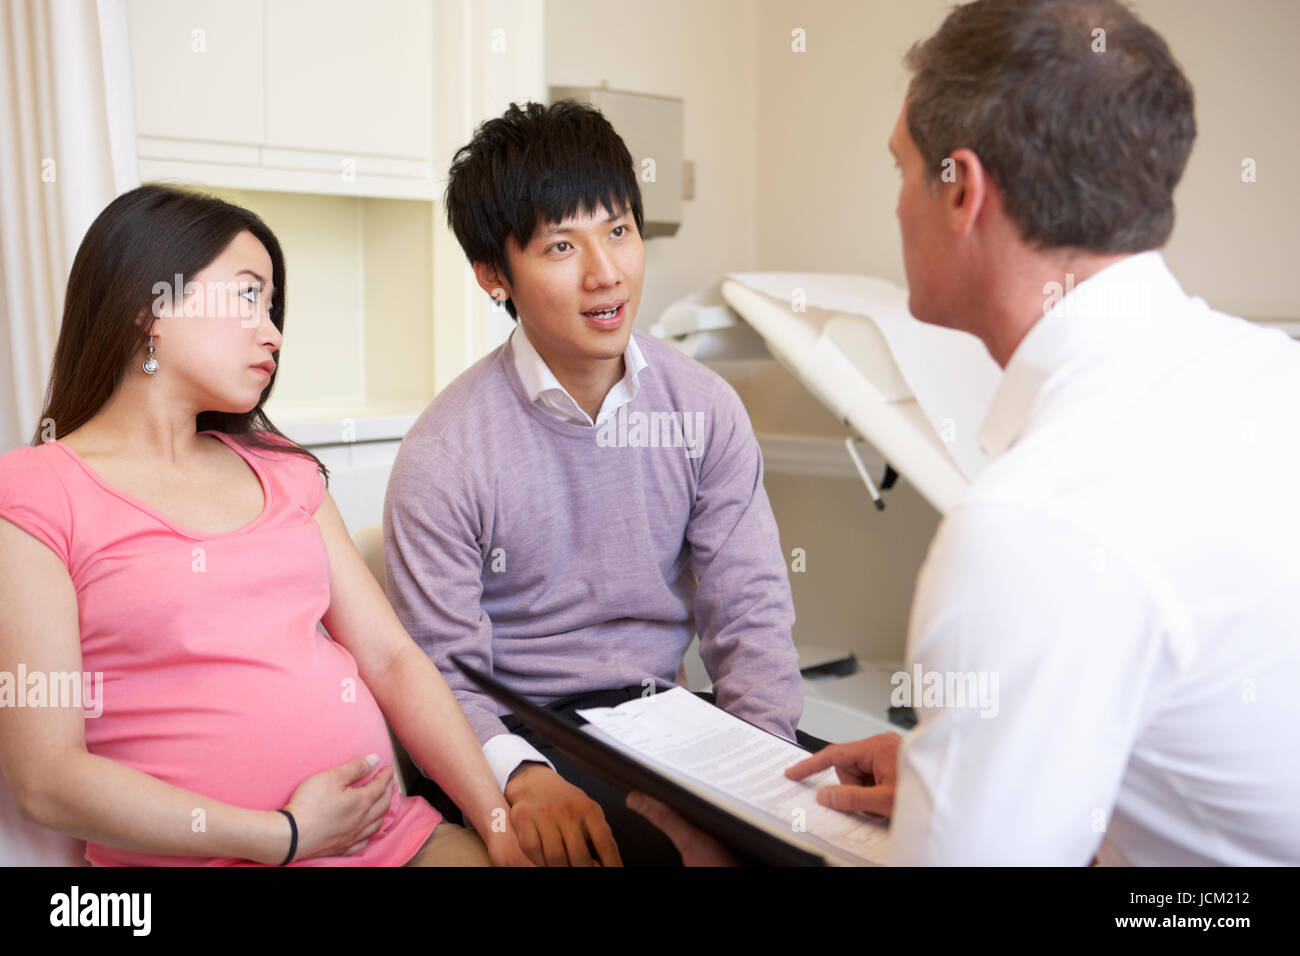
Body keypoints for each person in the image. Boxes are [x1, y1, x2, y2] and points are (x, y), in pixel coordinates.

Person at [630, 0, 1300, 865]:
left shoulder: (1034, 524)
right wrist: (978, 775)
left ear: (962, 191)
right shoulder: (1271, 377)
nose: (897, 207)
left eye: (902, 171)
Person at [0, 185, 532, 867]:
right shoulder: (37, 490)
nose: (273, 332)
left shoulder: (283, 472)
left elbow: (393, 660)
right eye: (248, 296)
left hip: (392, 840)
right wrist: (285, 835)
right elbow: (47, 781)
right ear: (149, 306)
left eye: (273, 306)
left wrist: (495, 821)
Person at [383, 100, 810, 866]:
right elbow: (442, 671)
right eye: (560, 246)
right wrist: (522, 774)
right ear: (493, 275)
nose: (605, 272)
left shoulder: (703, 407)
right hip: (519, 736)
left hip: (665, 726)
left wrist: (764, 765)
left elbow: (750, 610)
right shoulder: (445, 451)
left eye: (618, 231)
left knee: (852, 833)